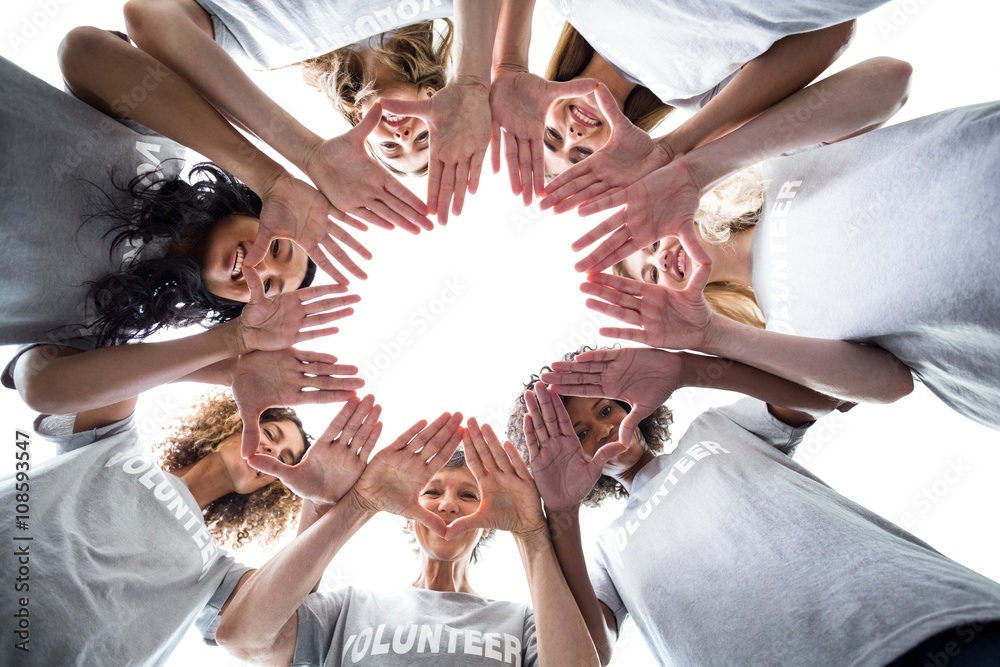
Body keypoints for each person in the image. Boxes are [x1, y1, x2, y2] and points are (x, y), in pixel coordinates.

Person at [569, 57, 1000, 431]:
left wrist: (694, 170)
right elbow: (892, 385)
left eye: (647, 244)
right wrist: (708, 335)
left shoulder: (773, 168)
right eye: (650, 275)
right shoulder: (775, 336)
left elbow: (889, 79)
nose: (659, 258)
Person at [506, 346, 1000, 665]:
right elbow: (589, 650)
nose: (606, 431)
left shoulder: (717, 428)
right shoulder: (609, 549)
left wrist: (685, 368)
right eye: (582, 435)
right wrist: (560, 514)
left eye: (606, 409)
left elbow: (822, 398)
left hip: (925, 619)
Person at [0, 52, 364, 433]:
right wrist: (272, 178)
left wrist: (233, 343)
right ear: (255, 209)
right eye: (276, 247)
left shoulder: (114, 324)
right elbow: (82, 52)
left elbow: (40, 387)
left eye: (270, 287)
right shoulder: (163, 147)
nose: (261, 266)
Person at [209, 413, 602, 666]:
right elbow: (241, 635)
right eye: (432, 493)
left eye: (468, 496)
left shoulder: (523, 623)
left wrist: (530, 531)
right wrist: (358, 503)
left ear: (487, 523)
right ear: (408, 516)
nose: (448, 505)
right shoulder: (347, 609)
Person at [0, 382, 319, 665]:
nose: (272, 451)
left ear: (269, 487)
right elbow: (119, 362)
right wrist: (233, 366)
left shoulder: (215, 570)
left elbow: (287, 608)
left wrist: (320, 499)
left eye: (284, 461)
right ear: (239, 422)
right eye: (271, 434)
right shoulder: (119, 442)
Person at [119, 0, 502, 223]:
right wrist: (473, 82)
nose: (402, 137)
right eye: (423, 137)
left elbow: (148, 16)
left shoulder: (264, 52)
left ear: (358, 126)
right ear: (434, 97)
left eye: (390, 149)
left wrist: (306, 153)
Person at [490, 0, 881, 201]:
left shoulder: (569, 6)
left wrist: (505, 64)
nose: (574, 134)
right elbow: (838, 36)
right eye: (582, 155)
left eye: (552, 137)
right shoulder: (699, 99)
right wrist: (677, 148)